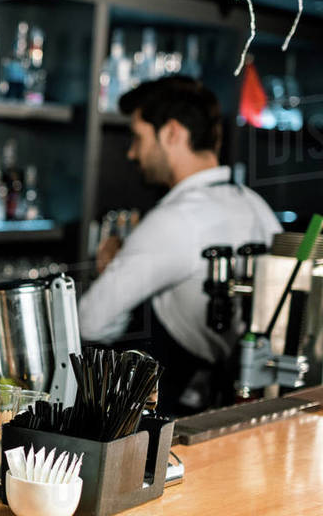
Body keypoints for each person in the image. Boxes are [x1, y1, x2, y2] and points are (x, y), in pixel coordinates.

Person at [79, 76, 281, 413]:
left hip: (194, 413)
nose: (132, 153)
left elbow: (91, 322)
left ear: (172, 133)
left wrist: (112, 266)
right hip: (259, 406)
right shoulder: (256, 206)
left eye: (138, 138)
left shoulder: (176, 219)